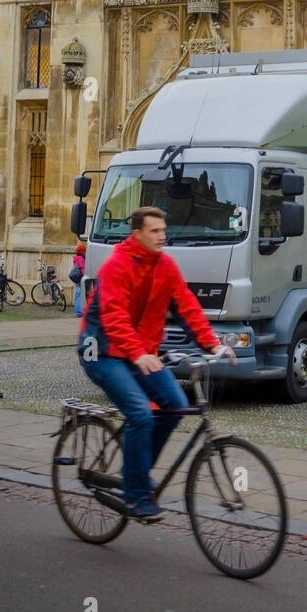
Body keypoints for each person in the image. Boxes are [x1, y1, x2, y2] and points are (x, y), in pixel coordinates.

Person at [77, 206, 235, 522]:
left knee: (175, 405)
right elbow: (114, 316)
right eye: (155, 231)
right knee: (141, 414)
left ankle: (135, 470)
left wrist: (214, 344)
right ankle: (136, 497)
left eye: (164, 230)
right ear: (137, 234)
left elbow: (187, 306)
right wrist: (137, 353)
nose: (163, 236)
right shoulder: (116, 267)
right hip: (102, 352)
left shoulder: (165, 266)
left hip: (140, 353)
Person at [71, 241, 86, 317]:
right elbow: (83, 269)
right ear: (82, 252)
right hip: (80, 278)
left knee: (77, 293)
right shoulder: (81, 259)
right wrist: (85, 276)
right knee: (80, 294)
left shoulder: (76, 258)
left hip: (77, 278)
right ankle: (79, 312)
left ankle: (77, 310)